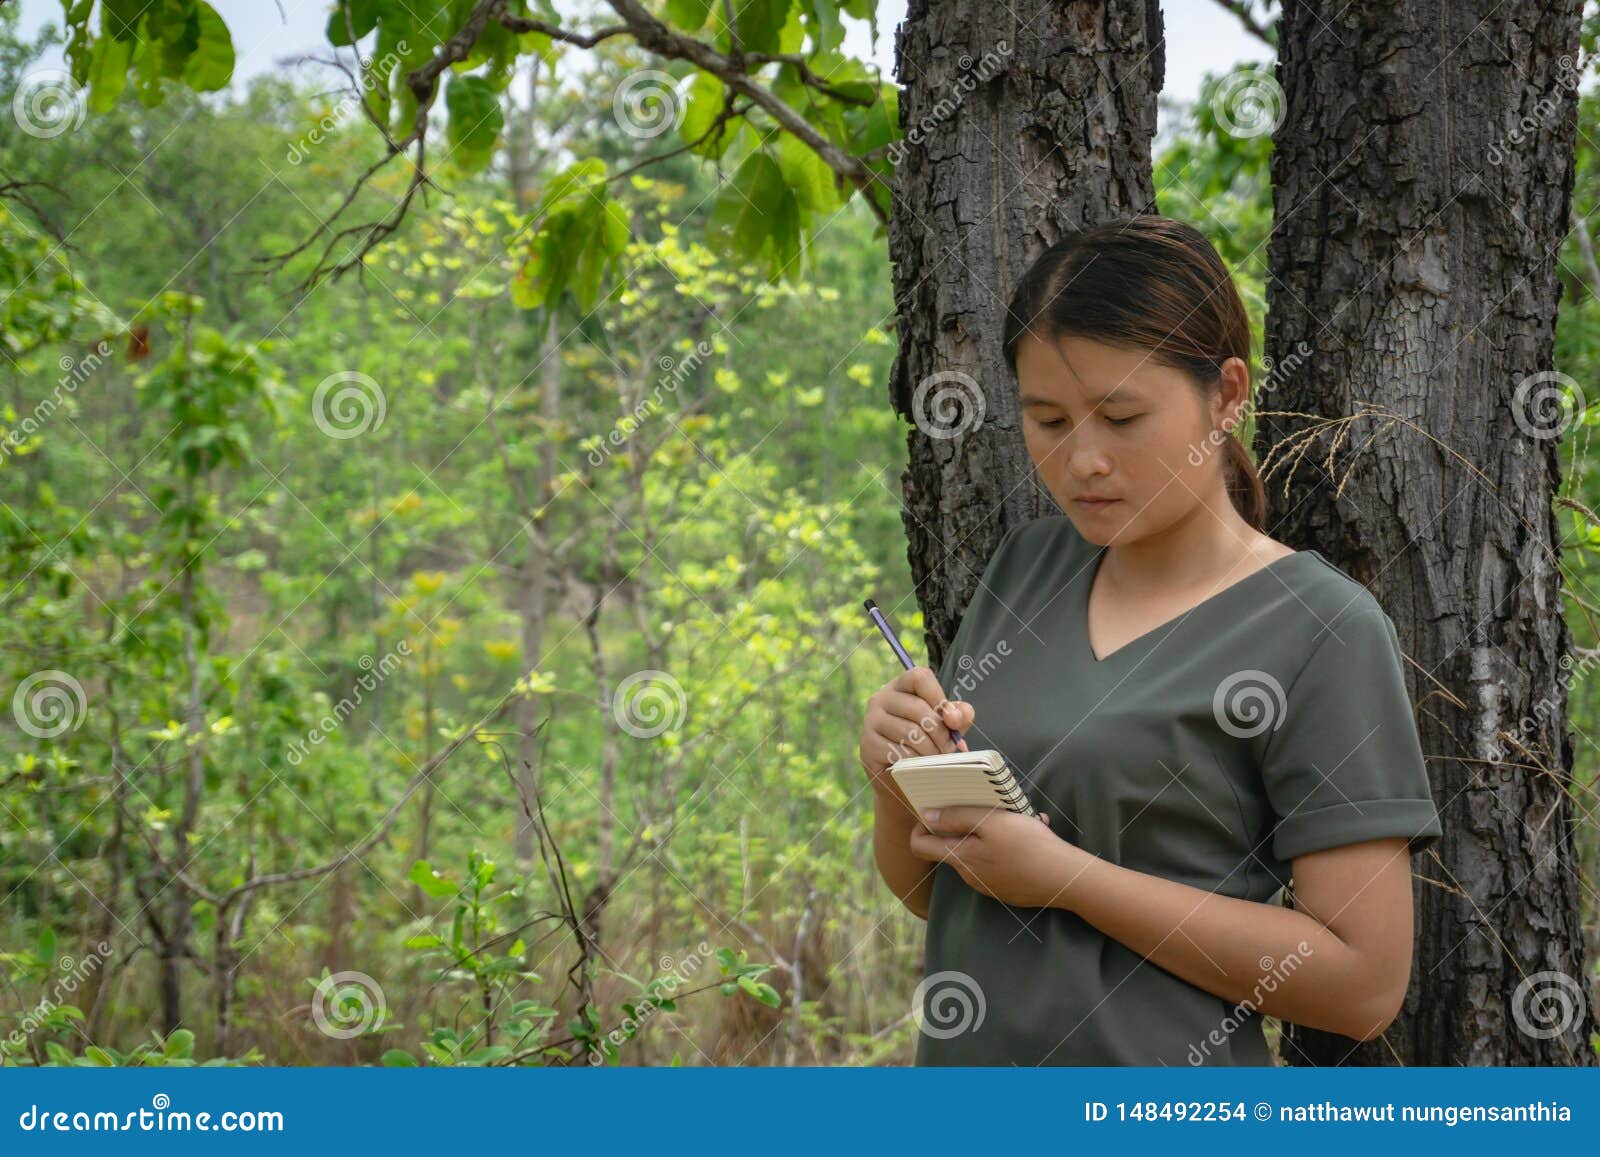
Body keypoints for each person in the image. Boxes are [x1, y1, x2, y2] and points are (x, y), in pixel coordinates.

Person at [858, 215, 1443, 1066]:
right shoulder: (1027, 570)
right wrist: (892, 776)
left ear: (1227, 394)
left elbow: (1363, 986)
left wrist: (1068, 877)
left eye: (1122, 417)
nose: (1082, 461)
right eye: (1048, 420)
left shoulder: (1321, 628)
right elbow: (937, 894)